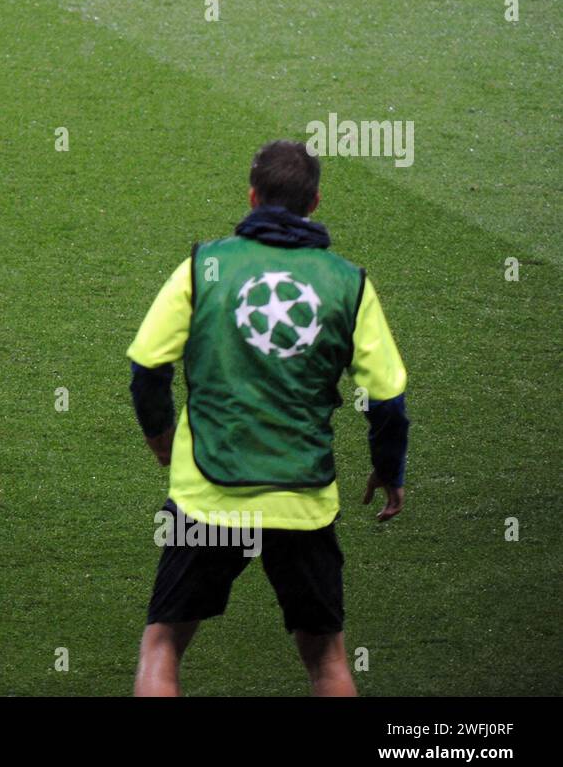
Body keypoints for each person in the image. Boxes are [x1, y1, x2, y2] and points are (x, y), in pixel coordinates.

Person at [126, 140, 410, 696]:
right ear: (316, 201)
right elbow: (388, 401)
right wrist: (389, 470)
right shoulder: (349, 285)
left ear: (252, 196)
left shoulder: (202, 268)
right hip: (302, 501)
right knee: (327, 660)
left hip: (207, 497)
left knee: (162, 645)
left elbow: (147, 369)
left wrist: (162, 439)